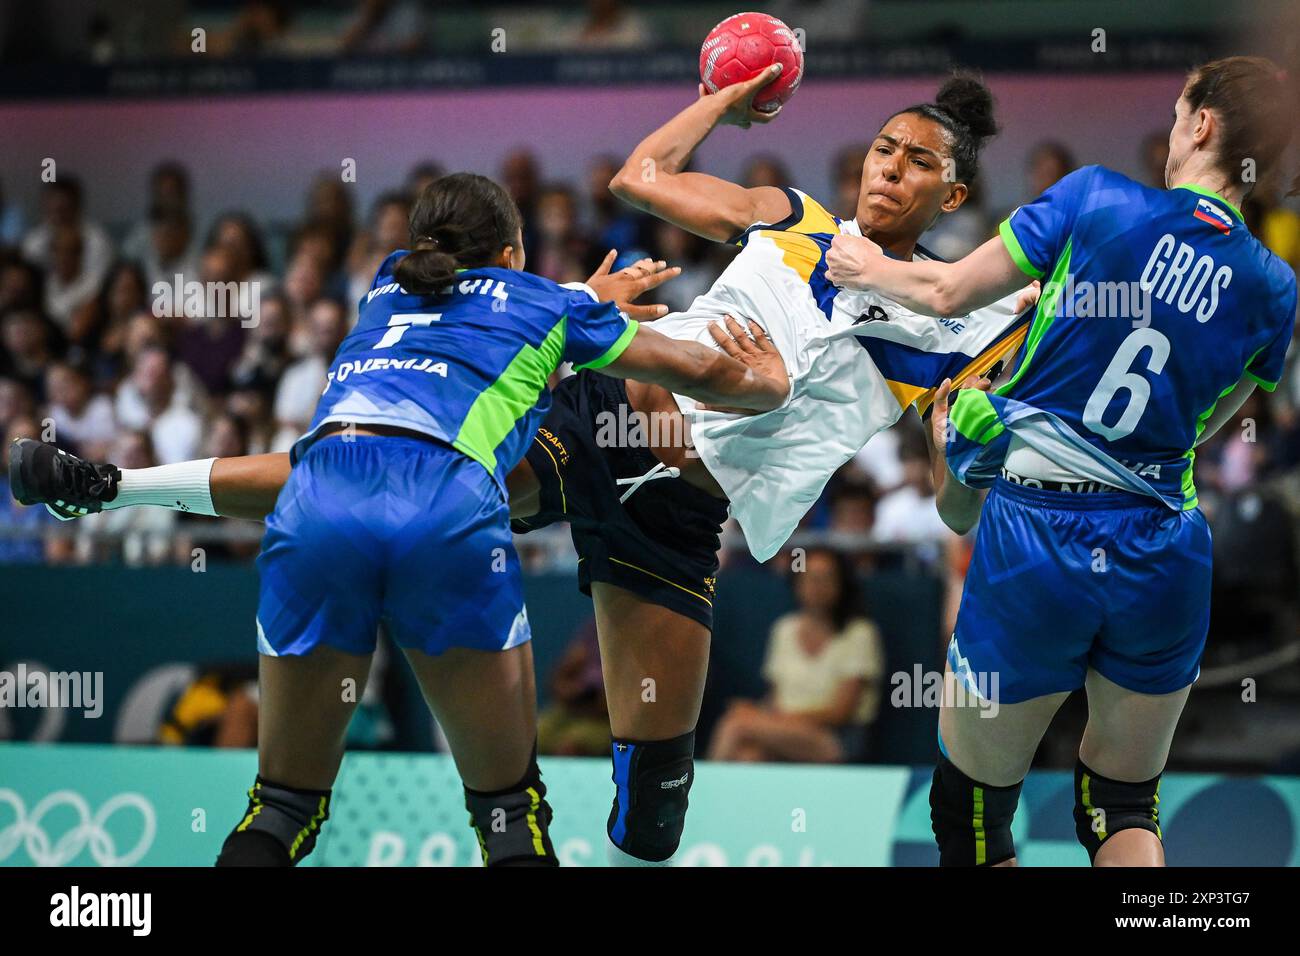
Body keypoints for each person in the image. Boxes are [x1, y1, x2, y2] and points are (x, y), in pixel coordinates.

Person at [11, 70, 1036, 866]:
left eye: (916, 163)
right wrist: (728, 97)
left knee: (649, 821)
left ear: (954, 188)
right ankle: (110, 485)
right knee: (392, 469)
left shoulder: (972, 316)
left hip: (681, 515)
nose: (888, 169)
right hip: (599, 419)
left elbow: (960, 484)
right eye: (884, 149)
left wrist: (965, 462)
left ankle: (112, 489)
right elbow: (640, 177)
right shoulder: (790, 215)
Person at [12, 172, 789, 867]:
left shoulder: (386, 285)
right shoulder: (546, 305)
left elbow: (496, 309)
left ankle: (119, 483)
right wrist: (769, 380)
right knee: (510, 816)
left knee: (281, 807)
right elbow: (697, 370)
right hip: (445, 509)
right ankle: (121, 483)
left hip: (319, 498)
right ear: (515, 253)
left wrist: (577, 300)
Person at [825, 55, 1299, 867]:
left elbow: (946, 295)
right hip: (1165, 544)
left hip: (1040, 538)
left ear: (1203, 124)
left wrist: (866, 267)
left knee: (969, 815)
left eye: (1181, 107)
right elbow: (1210, 421)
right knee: (1121, 805)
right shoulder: (1274, 286)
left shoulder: (1097, 199)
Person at [709, 548, 883, 763]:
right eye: (810, 578)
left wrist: (772, 719)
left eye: (826, 578)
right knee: (749, 756)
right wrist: (757, 711)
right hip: (785, 730)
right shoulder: (784, 629)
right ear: (797, 583)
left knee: (736, 724)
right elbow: (775, 697)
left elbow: (842, 712)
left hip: (836, 738)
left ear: (841, 584)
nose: (817, 586)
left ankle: (697, 794)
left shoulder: (859, 633)